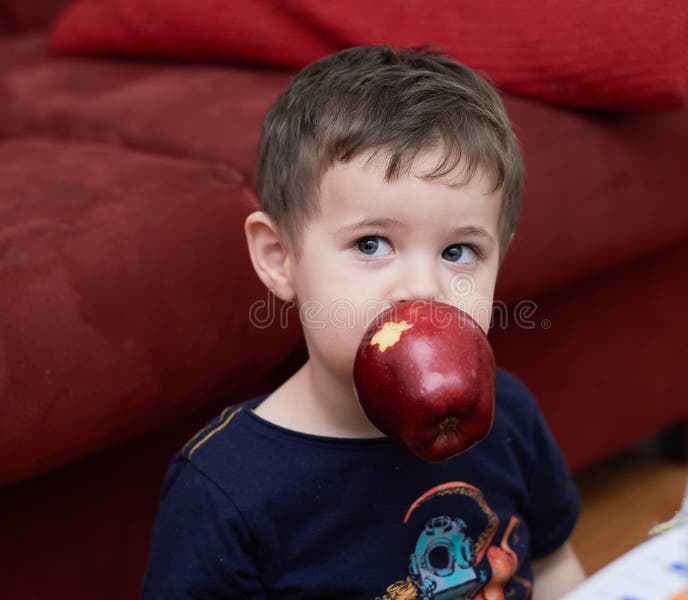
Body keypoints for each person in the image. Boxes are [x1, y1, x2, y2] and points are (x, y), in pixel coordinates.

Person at [141, 45, 586, 599]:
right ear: (280, 257)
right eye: (371, 243)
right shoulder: (224, 490)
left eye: (459, 251)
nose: (423, 289)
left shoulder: (509, 414)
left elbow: (553, 567)